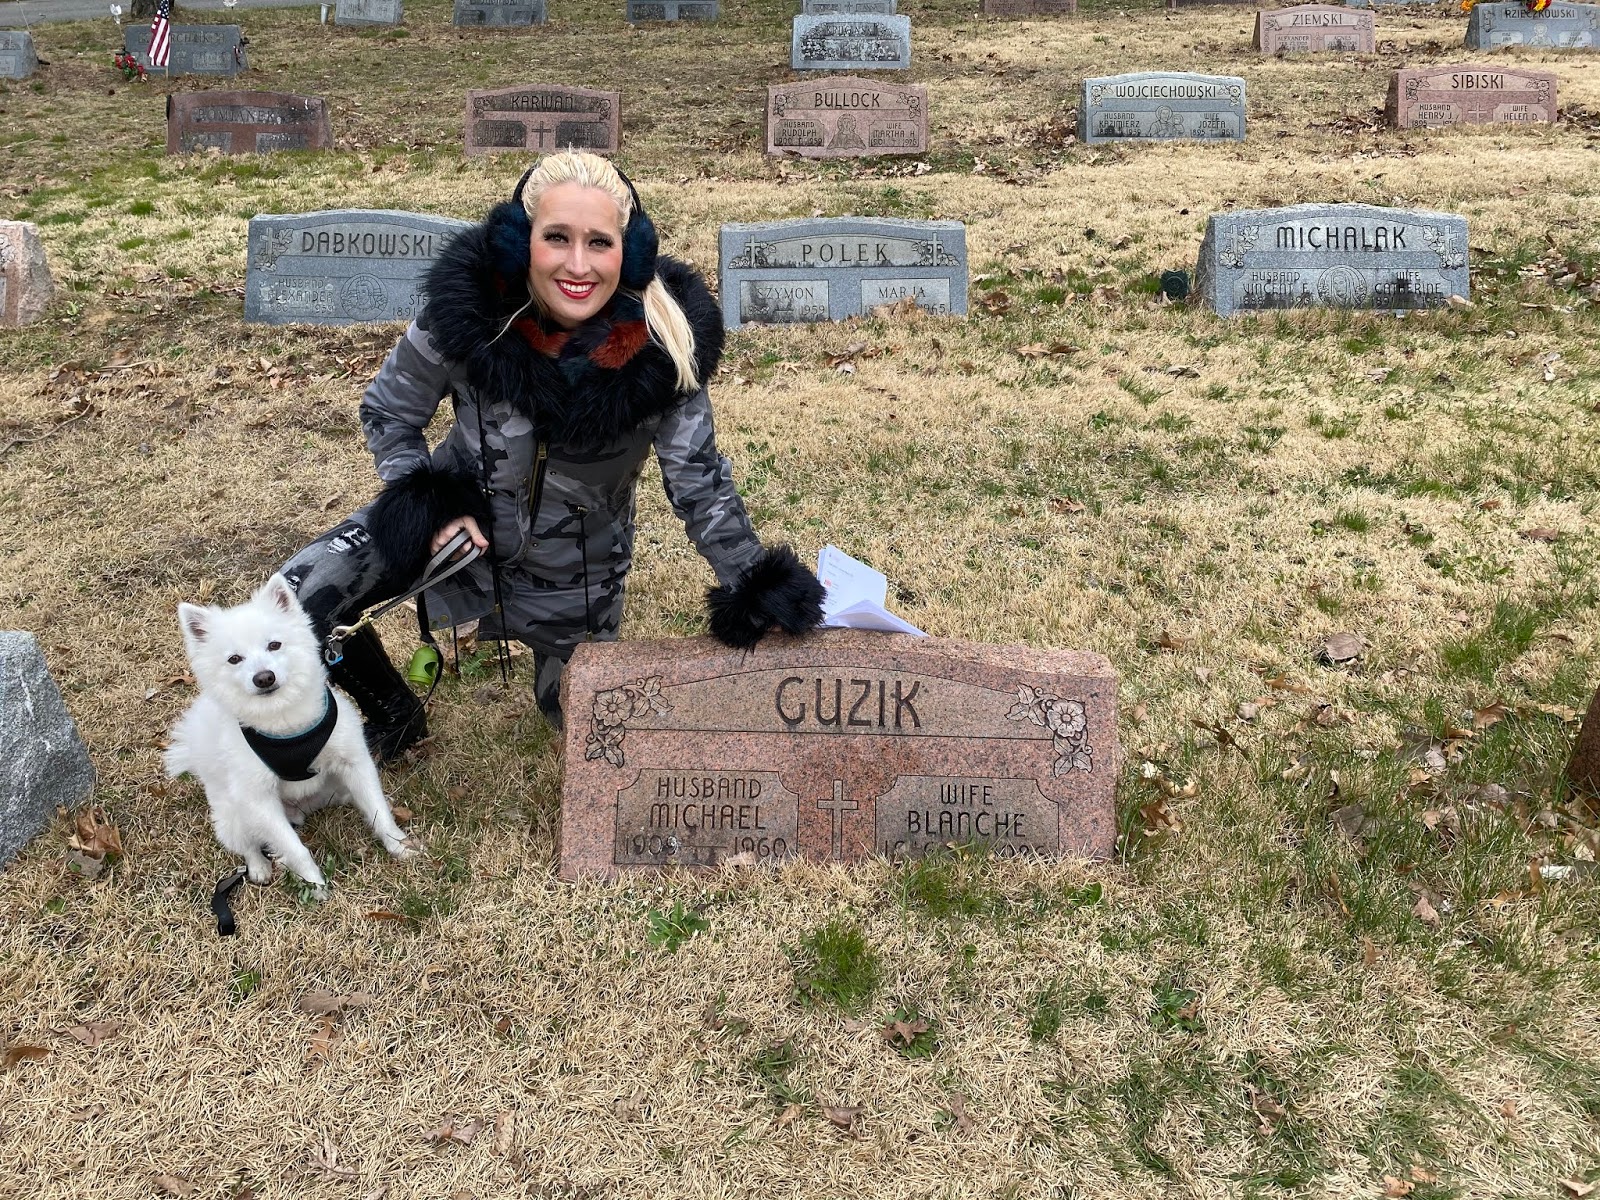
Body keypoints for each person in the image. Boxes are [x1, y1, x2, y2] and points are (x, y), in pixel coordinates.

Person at [279, 150, 824, 760]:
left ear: (631, 251)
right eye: (556, 238)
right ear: (519, 243)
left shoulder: (667, 347)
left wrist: (758, 588)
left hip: (576, 575)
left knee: (590, 740)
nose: (577, 264)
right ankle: (393, 713)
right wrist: (427, 504)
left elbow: (700, 487)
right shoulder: (463, 317)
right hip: (461, 544)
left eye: (600, 243)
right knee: (294, 603)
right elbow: (389, 412)